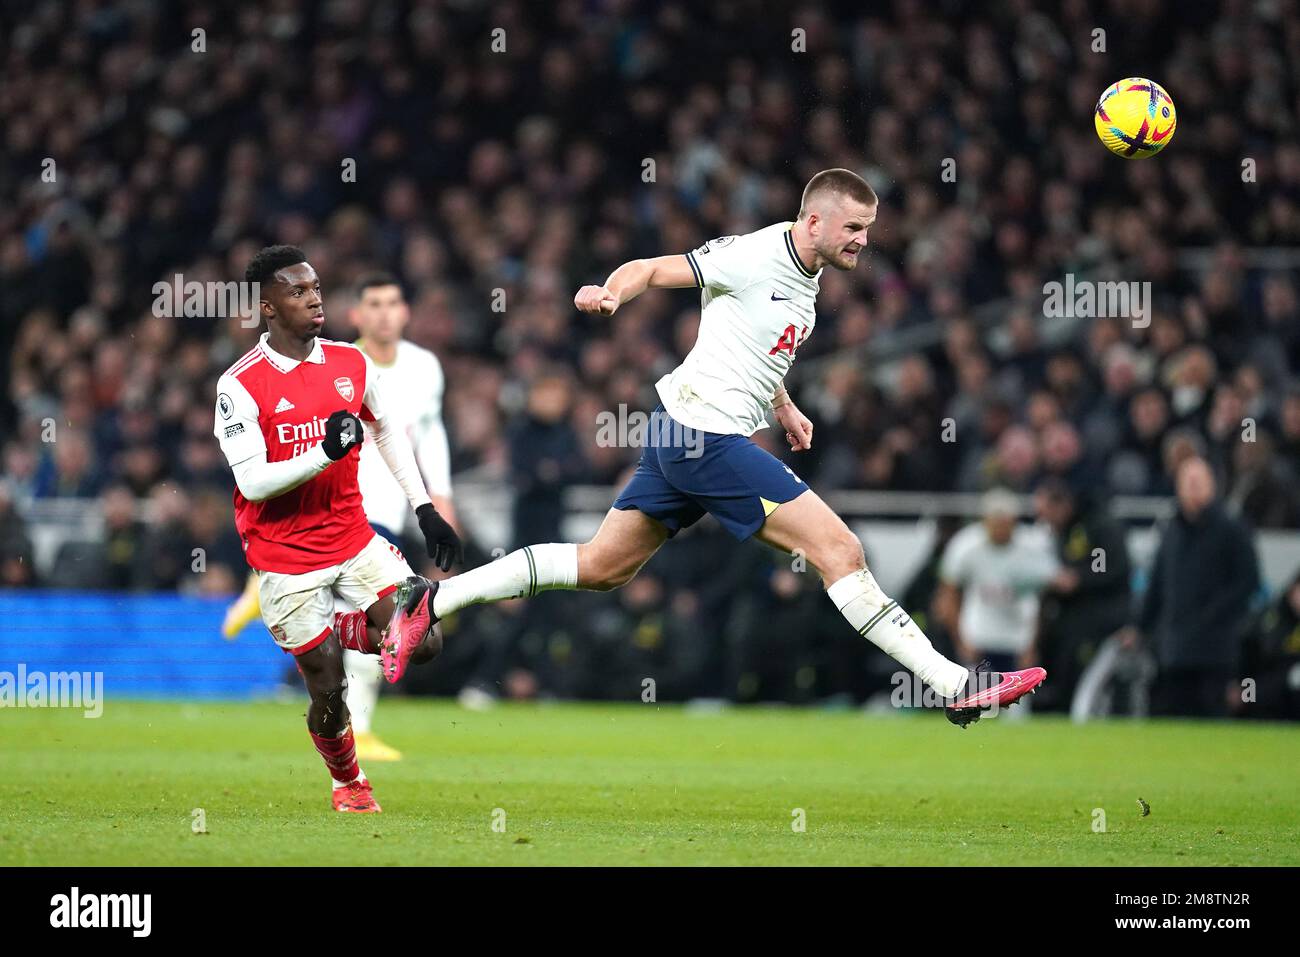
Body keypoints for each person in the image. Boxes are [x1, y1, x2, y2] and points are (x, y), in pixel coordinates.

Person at [390, 169, 1046, 728]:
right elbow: (650, 267)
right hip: (702, 437)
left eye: (868, 230)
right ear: (814, 221)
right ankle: (952, 683)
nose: (864, 242)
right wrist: (612, 291)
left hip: (682, 432)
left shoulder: (806, 276)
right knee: (838, 549)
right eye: (853, 229)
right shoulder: (752, 254)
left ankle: (430, 602)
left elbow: (758, 345)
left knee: (600, 566)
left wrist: (783, 404)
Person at [213, 246, 461, 812]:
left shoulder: (351, 364)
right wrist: (325, 451)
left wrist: (423, 508)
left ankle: (341, 629)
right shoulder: (239, 385)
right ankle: (349, 783)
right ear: (267, 306)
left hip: (354, 539)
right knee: (328, 689)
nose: (314, 298)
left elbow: (387, 431)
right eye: (298, 291)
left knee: (425, 641)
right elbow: (253, 483)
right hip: (283, 556)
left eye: (317, 288)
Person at [1120, 456, 1259, 717]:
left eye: (1199, 482)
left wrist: (1215, 614)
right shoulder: (1171, 530)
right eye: (1188, 482)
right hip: (1174, 647)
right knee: (1173, 718)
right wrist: (1139, 626)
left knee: (1211, 717)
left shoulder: (1232, 529)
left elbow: (1248, 581)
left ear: (1212, 486)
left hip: (1216, 649)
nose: (1193, 488)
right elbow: (1157, 584)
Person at [1029, 479, 1132, 712]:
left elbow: (1113, 569)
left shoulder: (1099, 526)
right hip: (1074, 625)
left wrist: (1077, 579)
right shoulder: (1065, 532)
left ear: (1062, 506)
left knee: (1087, 690)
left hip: (1102, 625)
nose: (1043, 522)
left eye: (1045, 514)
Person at [933, 489, 1059, 676]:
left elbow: (1044, 599)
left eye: (1005, 523)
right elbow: (948, 594)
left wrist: (1033, 644)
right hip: (978, 634)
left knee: (1017, 702)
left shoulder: (1034, 549)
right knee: (978, 698)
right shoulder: (965, 546)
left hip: (1018, 637)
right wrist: (960, 640)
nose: (1000, 529)